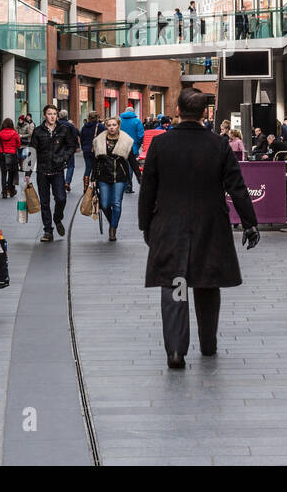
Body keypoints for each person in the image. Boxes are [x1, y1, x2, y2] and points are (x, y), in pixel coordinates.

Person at [139, 88, 259, 369]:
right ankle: (208, 343)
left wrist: (146, 225)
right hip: (210, 224)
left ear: (177, 110)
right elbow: (237, 187)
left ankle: (176, 351)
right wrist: (250, 223)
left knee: (175, 283)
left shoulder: (161, 144)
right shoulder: (218, 145)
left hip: (170, 224)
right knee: (207, 282)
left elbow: (148, 190)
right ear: (205, 113)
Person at [26, 103, 79, 242]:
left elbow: (72, 146)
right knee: (44, 202)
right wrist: (27, 172)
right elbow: (32, 151)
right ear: (45, 115)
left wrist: (64, 158)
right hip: (42, 171)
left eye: (54, 114)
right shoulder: (38, 131)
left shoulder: (64, 129)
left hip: (58, 170)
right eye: (49, 114)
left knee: (61, 198)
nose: (52, 116)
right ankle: (48, 231)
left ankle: (57, 218)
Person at [92, 115, 134, 242]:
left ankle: (113, 229)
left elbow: (132, 160)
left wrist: (139, 176)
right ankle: (113, 222)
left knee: (116, 203)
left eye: (114, 125)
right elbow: (95, 161)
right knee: (104, 204)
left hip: (120, 176)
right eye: (109, 125)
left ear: (118, 126)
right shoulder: (99, 140)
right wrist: (92, 178)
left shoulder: (125, 140)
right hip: (103, 177)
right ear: (106, 126)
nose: (111, 128)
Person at [119, 106, 145, 194]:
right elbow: (141, 135)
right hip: (133, 147)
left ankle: (124, 185)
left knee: (122, 166)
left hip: (121, 146)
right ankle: (128, 186)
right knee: (131, 166)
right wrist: (137, 144)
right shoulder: (137, 121)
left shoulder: (119, 120)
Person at [79, 111, 106, 187]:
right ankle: (95, 185)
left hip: (86, 150)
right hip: (97, 150)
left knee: (88, 167)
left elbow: (82, 139)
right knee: (96, 168)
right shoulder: (100, 126)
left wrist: (84, 147)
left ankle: (86, 186)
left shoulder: (84, 127)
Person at [0, 117, 20, 198]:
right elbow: (18, 144)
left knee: (3, 174)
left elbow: (0, 143)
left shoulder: (0, 133)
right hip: (12, 155)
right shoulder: (14, 133)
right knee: (11, 173)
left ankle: (4, 192)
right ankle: (11, 190)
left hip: (2, 154)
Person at [59, 109, 78, 188]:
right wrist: (76, 146)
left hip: (59, 149)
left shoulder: (56, 124)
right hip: (69, 149)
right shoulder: (70, 125)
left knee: (59, 166)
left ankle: (60, 182)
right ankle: (67, 182)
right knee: (70, 166)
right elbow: (75, 136)